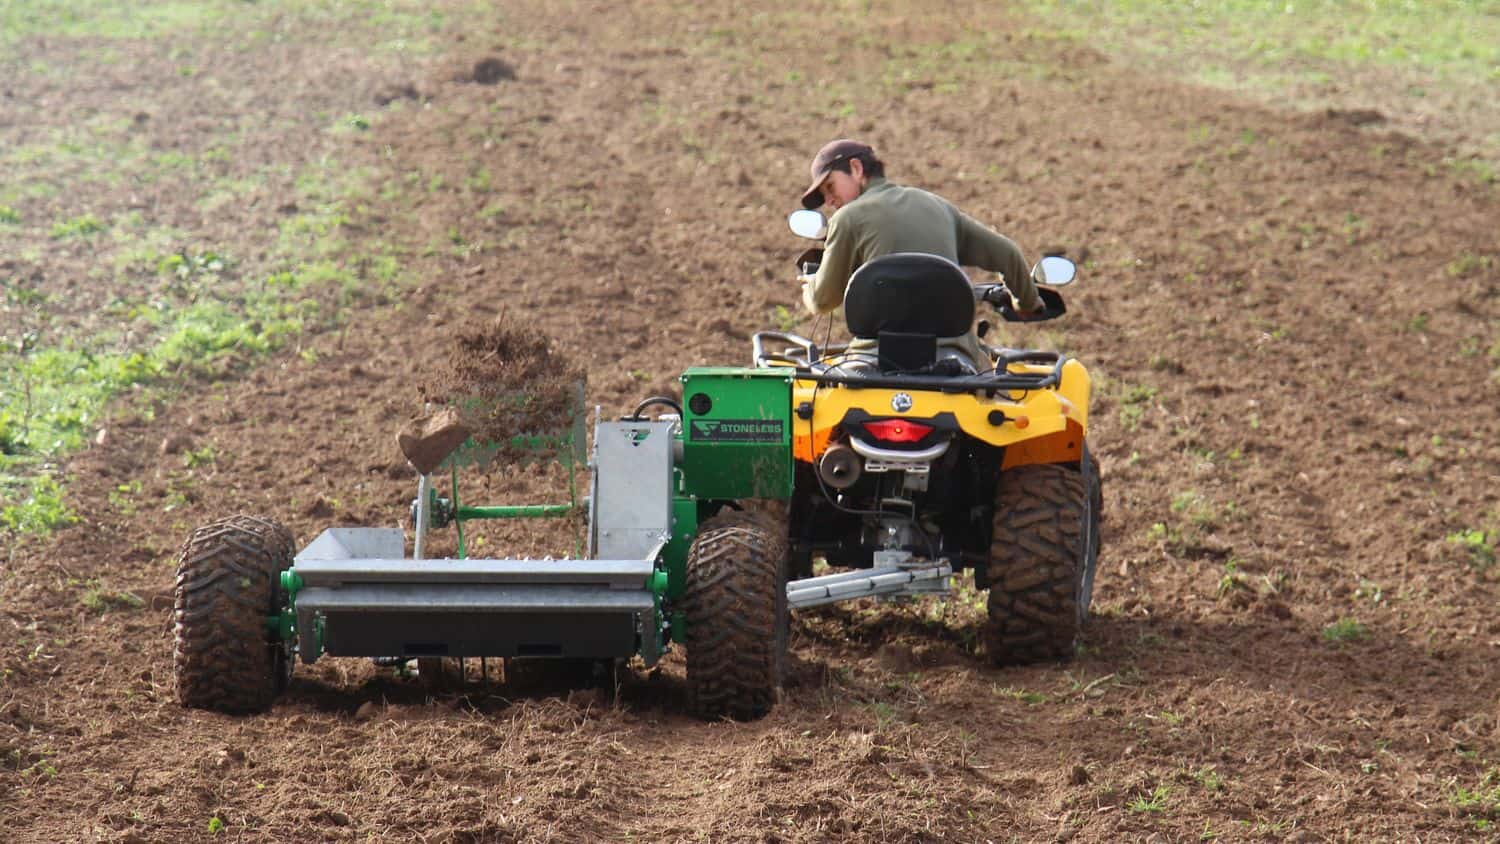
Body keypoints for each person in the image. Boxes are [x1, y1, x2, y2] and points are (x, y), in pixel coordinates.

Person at [796, 139, 1044, 364]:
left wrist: (810, 285)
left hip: (875, 357)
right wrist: (1026, 303)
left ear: (856, 169)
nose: (829, 201)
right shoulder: (940, 208)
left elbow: (822, 299)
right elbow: (1008, 253)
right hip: (956, 357)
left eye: (830, 187)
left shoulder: (847, 219)